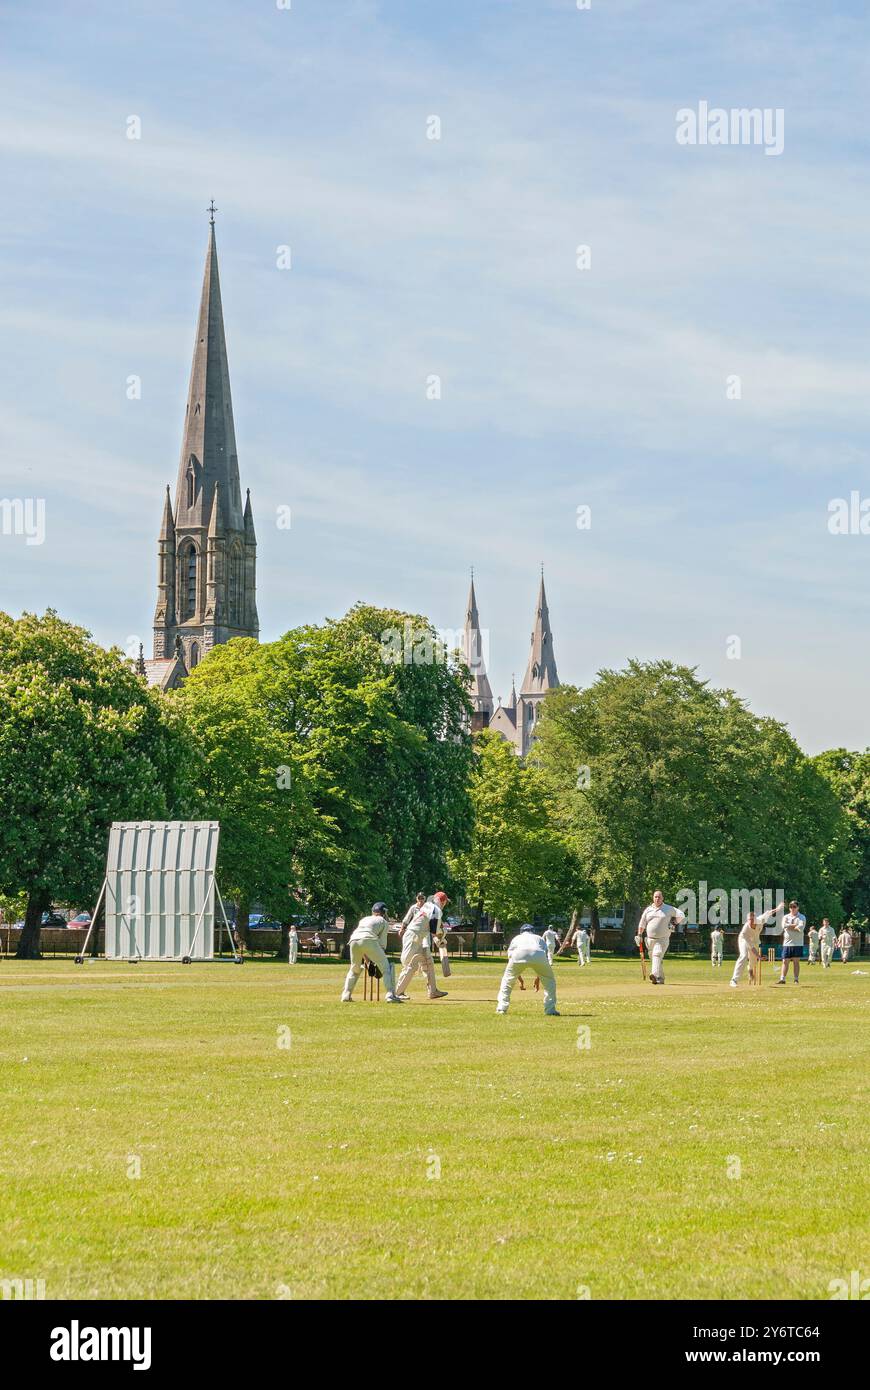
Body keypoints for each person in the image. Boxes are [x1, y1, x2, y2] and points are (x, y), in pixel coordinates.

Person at [341, 904, 402, 1003]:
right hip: (368, 939)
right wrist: (377, 963)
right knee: (386, 968)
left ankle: (346, 995)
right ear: (384, 912)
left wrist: (368, 962)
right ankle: (390, 995)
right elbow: (381, 945)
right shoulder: (383, 922)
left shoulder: (364, 919)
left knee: (354, 969)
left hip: (353, 940)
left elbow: (362, 944)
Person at [394, 892, 449, 1001]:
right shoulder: (435, 910)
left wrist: (441, 936)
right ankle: (397, 993)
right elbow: (434, 932)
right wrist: (442, 936)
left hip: (419, 938)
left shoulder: (428, 906)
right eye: (445, 903)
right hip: (413, 937)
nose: (444, 905)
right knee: (409, 964)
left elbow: (432, 928)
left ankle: (433, 991)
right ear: (442, 902)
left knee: (428, 962)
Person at [496, 924, 559, 1016]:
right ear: (533, 931)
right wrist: (539, 978)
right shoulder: (538, 938)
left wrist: (519, 979)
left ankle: (501, 1008)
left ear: (521, 932)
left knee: (507, 981)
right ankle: (550, 1010)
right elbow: (543, 957)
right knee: (549, 982)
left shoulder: (516, 938)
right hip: (538, 954)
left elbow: (511, 959)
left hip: (519, 954)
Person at [636, 891, 686, 985]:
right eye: (655, 897)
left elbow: (681, 915)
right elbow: (642, 923)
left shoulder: (668, 908)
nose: (657, 899)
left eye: (659, 897)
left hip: (662, 939)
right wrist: (639, 935)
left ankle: (654, 974)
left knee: (657, 954)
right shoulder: (648, 910)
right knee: (656, 959)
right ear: (653, 898)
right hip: (649, 939)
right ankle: (660, 978)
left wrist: (673, 923)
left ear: (662, 898)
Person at [729, 903, 783, 987]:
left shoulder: (760, 920)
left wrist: (778, 908)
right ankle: (734, 980)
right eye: (749, 920)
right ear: (747, 920)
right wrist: (759, 956)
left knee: (753, 962)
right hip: (743, 940)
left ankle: (750, 969)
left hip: (755, 941)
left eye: (752, 919)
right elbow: (751, 947)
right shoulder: (745, 930)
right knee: (743, 956)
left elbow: (768, 913)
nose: (750, 921)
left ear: (755, 919)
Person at [775, 900, 806, 984]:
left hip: (797, 943)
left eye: (794, 907)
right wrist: (794, 926)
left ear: (798, 908)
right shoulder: (786, 917)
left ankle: (796, 979)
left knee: (796, 962)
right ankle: (782, 979)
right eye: (791, 907)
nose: (792, 908)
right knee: (785, 961)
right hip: (787, 943)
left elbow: (800, 928)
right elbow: (783, 926)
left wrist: (790, 926)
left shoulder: (802, 917)